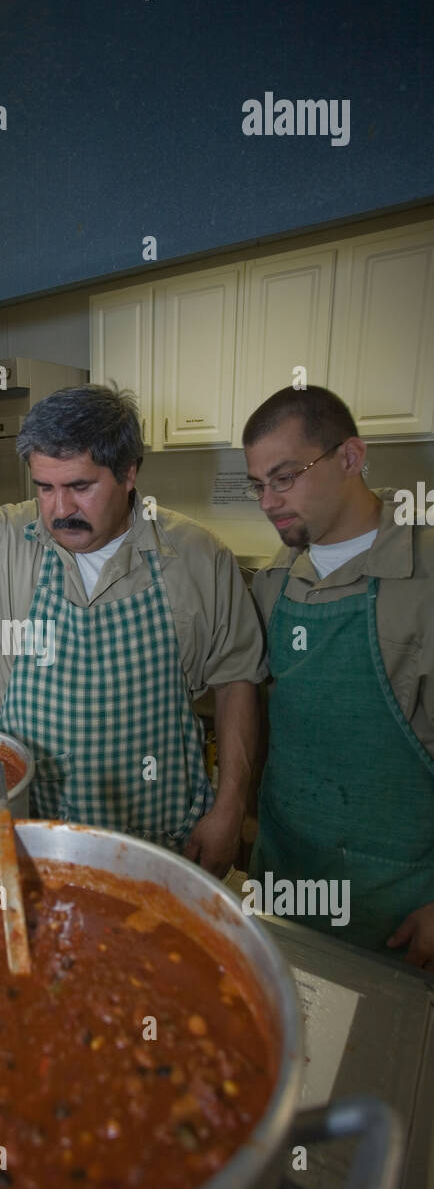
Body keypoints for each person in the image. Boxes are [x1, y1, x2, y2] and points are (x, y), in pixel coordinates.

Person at [0, 385, 265, 875]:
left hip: (158, 838)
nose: (59, 509)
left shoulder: (198, 557)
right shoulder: (0, 537)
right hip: (31, 833)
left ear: (129, 472)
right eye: (44, 487)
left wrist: (231, 807)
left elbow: (237, 681)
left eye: (80, 486)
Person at [243, 385, 434, 968]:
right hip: (283, 876)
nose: (269, 501)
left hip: (396, 902)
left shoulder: (423, 575)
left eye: (285, 477)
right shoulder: (276, 580)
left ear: (350, 458)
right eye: (258, 485)